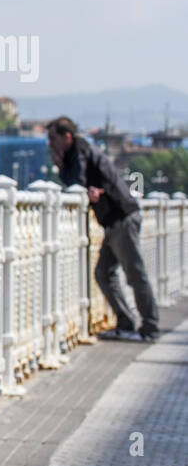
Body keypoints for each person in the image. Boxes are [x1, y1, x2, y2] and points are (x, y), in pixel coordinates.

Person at [46, 116, 158, 341]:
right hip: (115, 220)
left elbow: (76, 182)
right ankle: (126, 323)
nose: (50, 143)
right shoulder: (79, 151)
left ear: (67, 136)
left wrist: (60, 165)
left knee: (135, 274)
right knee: (103, 273)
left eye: (52, 138)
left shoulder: (80, 150)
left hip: (122, 218)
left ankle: (150, 328)